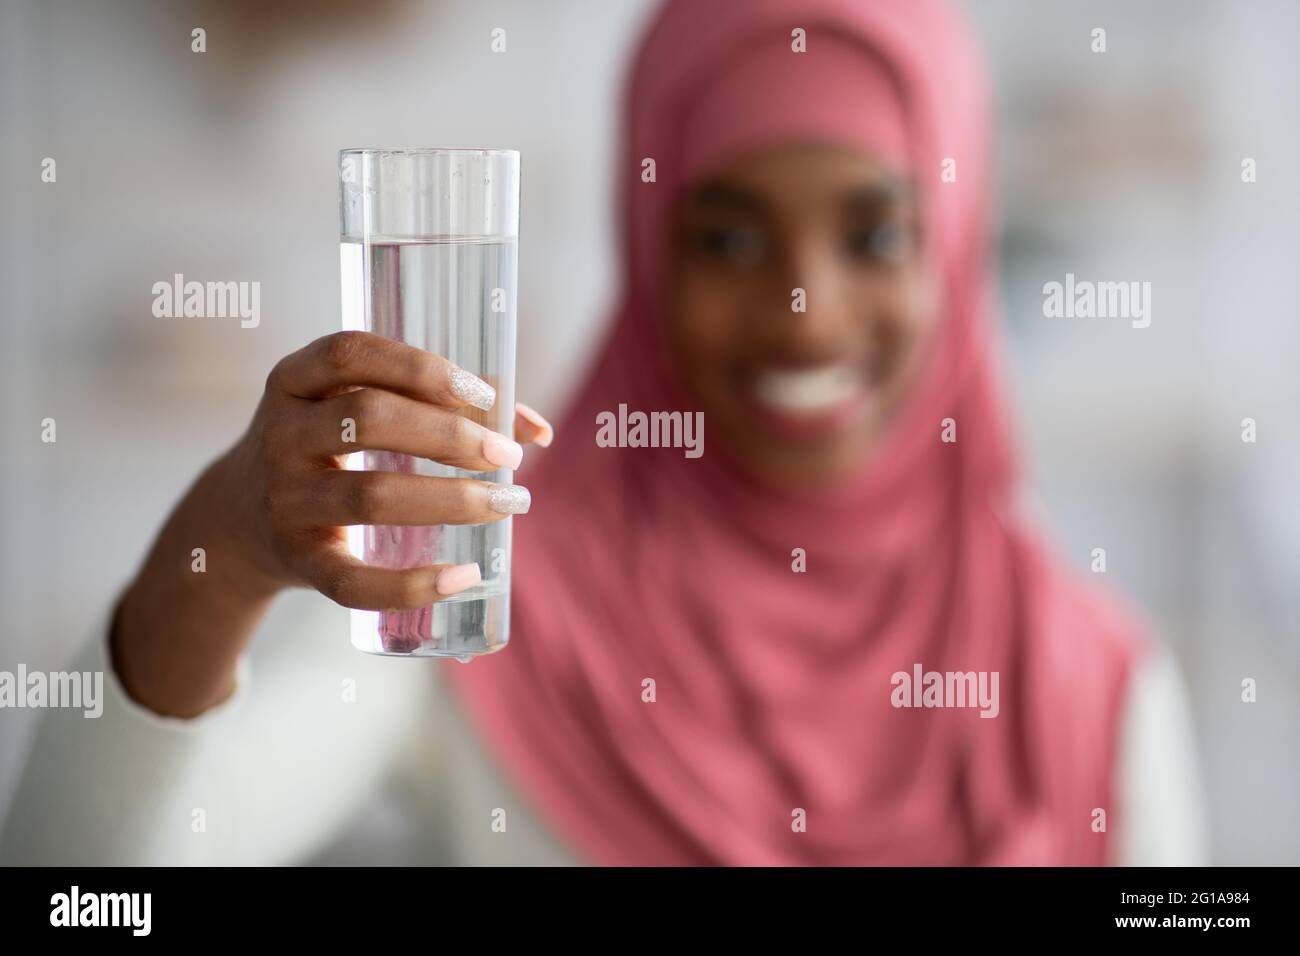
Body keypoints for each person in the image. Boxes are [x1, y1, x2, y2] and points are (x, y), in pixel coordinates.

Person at [0, 0, 1208, 866]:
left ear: (952, 250)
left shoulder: (1093, 684)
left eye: (874, 236)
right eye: (727, 238)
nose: (807, 308)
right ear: (644, 254)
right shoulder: (477, 603)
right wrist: (223, 543)